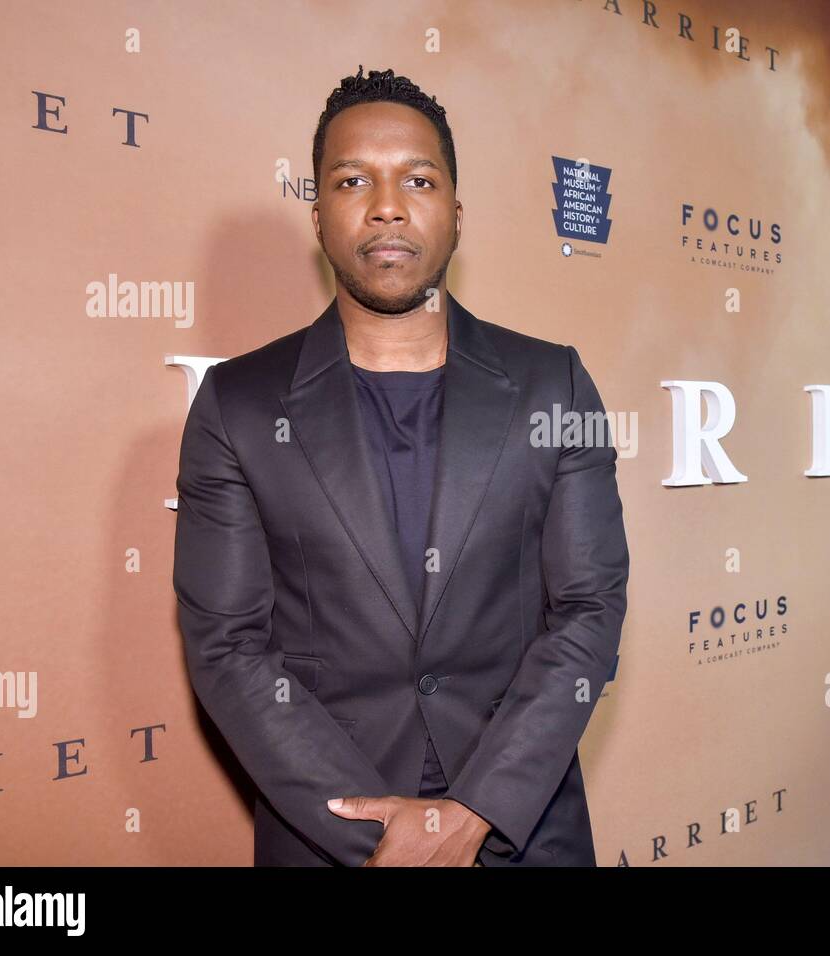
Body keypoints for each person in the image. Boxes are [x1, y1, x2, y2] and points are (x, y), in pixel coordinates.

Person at [171, 66, 629, 866]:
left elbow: (589, 609)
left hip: (520, 829)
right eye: (354, 180)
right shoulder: (237, 405)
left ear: (455, 212)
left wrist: (476, 810)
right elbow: (228, 647)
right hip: (328, 833)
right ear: (319, 216)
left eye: (417, 179)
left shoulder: (551, 384)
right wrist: (383, 830)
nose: (387, 204)